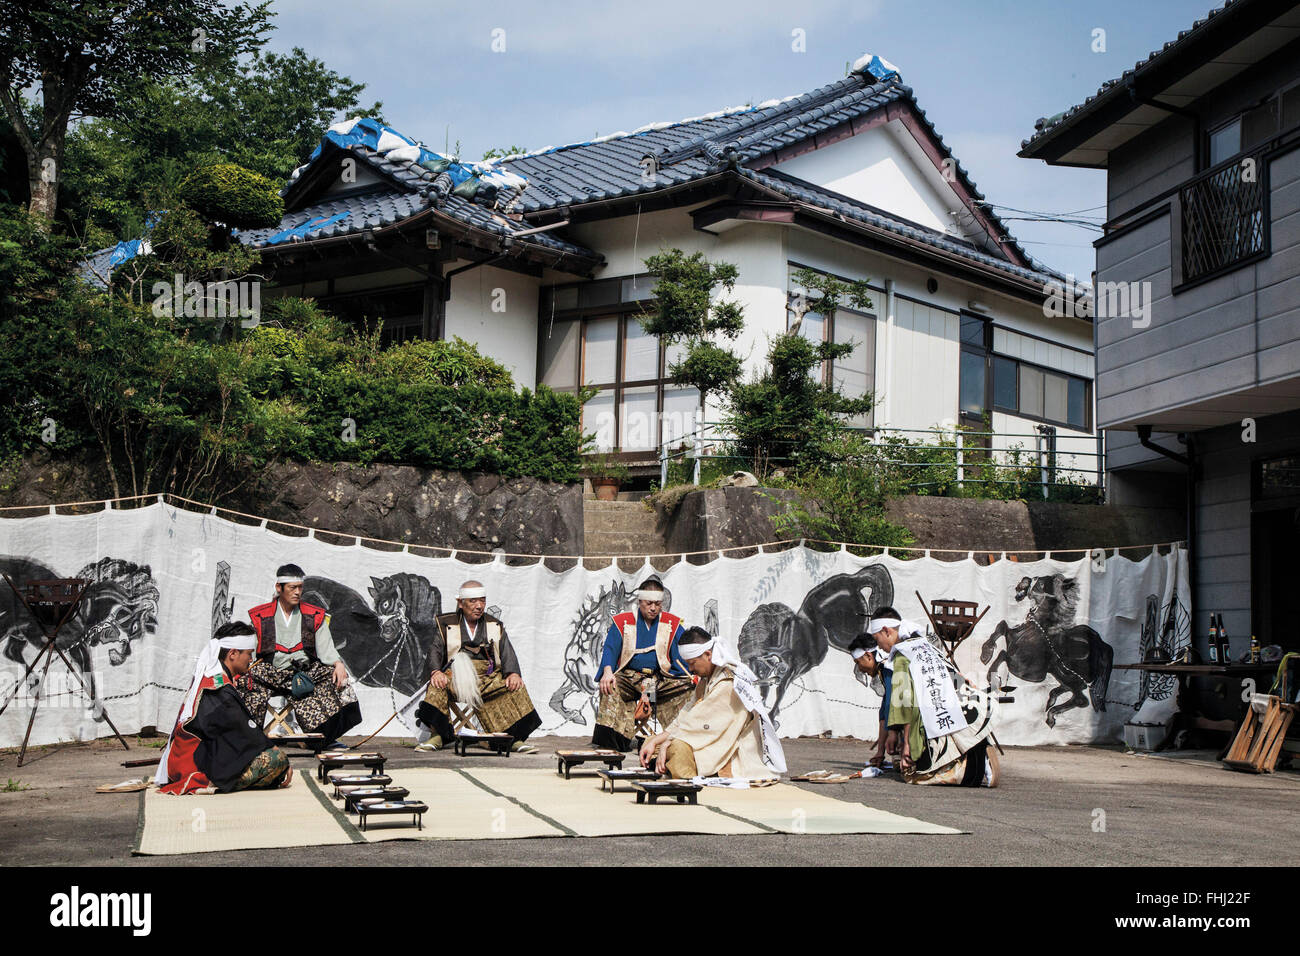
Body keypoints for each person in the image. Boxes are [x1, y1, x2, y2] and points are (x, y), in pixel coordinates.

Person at [865, 606, 999, 788]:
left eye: (877, 639)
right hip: (966, 709)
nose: (878, 645)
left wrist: (906, 746)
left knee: (912, 775)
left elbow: (905, 704)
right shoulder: (923, 646)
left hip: (934, 716)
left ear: (886, 631)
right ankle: (979, 755)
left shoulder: (901, 657)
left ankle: (969, 770)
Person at [155, 622, 291, 794]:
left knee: (258, 753)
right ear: (233, 654)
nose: (251, 660)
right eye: (249, 654)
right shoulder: (219, 688)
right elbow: (242, 732)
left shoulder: (214, 678)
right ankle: (212, 782)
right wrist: (272, 748)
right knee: (277, 760)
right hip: (193, 764)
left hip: (191, 756)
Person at [639, 627, 786, 780]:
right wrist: (657, 740)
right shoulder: (708, 677)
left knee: (677, 748)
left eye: (692, 663)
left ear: (708, 655)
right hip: (709, 736)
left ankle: (686, 780)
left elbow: (699, 723)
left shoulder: (728, 683)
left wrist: (667, 742)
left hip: (729, 748)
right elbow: (687, 714)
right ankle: (667, 766)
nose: (690, 669)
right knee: (651, 742)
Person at [240, 564, 362, 747]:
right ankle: (249, 740)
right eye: (292, 588)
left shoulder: (313, 615)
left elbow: (326, 647)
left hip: (304, 673)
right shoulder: (261, 615)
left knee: (337, 679)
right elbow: (250, 650)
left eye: (300, 588)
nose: (298, 592)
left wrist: (338, 664)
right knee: (244, 681)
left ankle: (325, 738)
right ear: (279, 588)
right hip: (270, 674)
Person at [414, 580, 541, 753]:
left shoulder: (494, 625)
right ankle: (438, 736)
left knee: (515, 687)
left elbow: (506, 651)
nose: (479, 606)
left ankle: (513, 739)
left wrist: (513, 674)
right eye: (473, 601)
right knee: (437, 685)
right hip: (455, 678)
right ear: (460, 603)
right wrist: (436, 671)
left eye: (482, 601)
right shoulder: (446, 624)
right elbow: (435, 650)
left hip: (488, 678)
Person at [592, 576, 693, 752]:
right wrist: (607, 671)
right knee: (610, 684)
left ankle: (678, 736)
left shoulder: (671, 624)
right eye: (648, 603)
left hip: (659, 681)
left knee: (687, 686)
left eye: (657, 604)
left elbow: (683, 651)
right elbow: (610, 648)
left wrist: (694, 673)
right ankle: (613, 740)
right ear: (640, 602)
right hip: (628, 680)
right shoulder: (624, 621)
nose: (653, 608)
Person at [847, 632, 892, 770]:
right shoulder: (883, 669)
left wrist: (893, 734)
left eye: (858, 662)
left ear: (868, 656)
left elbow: (892, 707)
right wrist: (880, 751)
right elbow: (885, 710)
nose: (859, 668)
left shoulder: (888, 668)